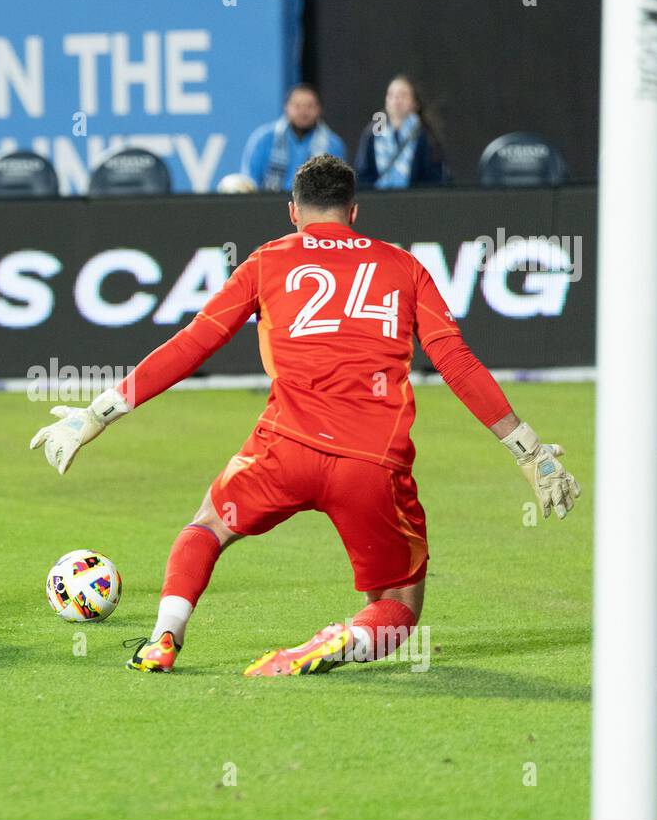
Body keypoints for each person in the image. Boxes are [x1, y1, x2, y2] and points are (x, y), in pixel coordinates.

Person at [30, 154, 580, 675]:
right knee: (399, 605)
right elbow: (457, 363)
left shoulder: (268, 260)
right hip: (373, 462)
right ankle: (343, 641)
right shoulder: (405, 267)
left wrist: (97, 415)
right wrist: (528, 449)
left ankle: (165, 637)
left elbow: (193, 344)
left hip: (285, 447)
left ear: (293, 212)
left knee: (207, 526)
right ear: (355, 212)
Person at [240, 84, 346, 192]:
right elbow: (249, 183)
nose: (303, 112)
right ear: (286, 107)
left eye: (309, 106)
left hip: (314, 206)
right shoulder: (263, 138)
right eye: (297, 106)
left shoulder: (333, 144)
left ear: (319, 109)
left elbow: (337, 188)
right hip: (267, 204)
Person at [353, 75, 449, 189]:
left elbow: (433, 176)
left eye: (403, 95)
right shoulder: (372, 133)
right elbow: (362, 173)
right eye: (391, 95)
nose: (396, 100)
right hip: (379, 202)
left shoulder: (425, 134)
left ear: (414, 103)